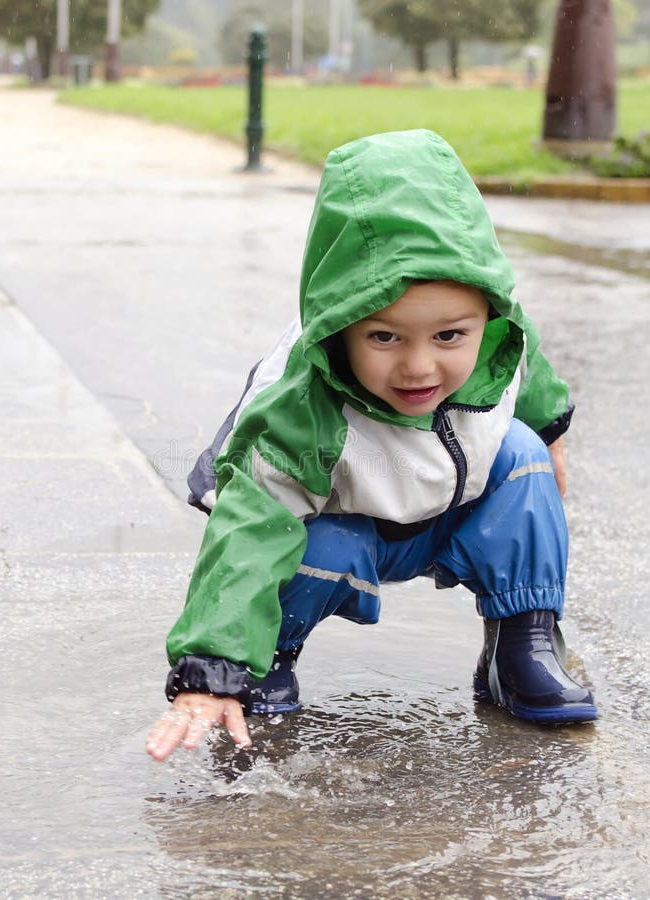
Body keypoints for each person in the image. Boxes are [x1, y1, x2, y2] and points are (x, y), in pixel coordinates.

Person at [146, 129, 596, 761]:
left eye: (448, 336)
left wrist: (551, 434)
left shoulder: (498, 339)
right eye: (384, 337)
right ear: (341, 326)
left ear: (487, 321)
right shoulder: (300, 413)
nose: (419, 367)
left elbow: (532, 375)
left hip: (446, 510)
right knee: (308, 540)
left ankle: (521, 642)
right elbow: (248, 531)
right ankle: (266, 658)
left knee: (519, 456)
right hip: (340, 532)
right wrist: (212, 671)